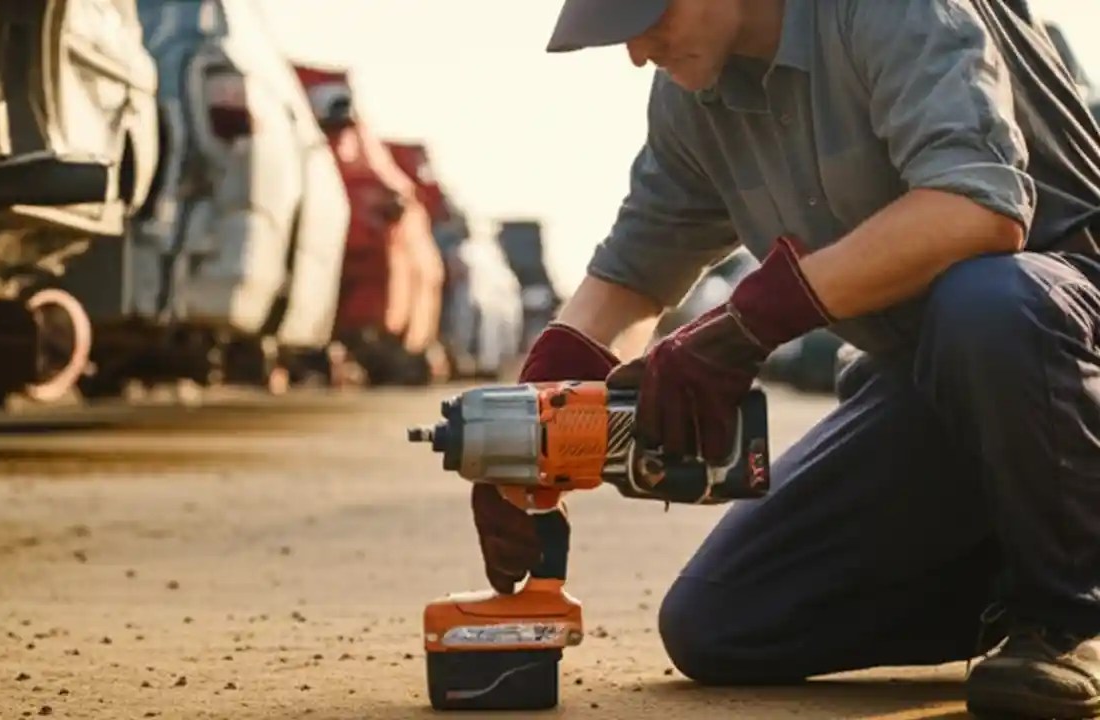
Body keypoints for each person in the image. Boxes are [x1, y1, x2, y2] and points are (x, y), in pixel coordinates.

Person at [470, 0, 1100, 717]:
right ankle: (1023, 588)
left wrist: (743, 327)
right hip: (936, 382)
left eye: (649, 18)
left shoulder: (888, 12)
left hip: (1068, 345)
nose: (637, 52)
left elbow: (976, 211)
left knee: (986, 300)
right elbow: (634, 277)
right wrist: (526, 434)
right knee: (722, 626)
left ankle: (1065, 618)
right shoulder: (695, 90)